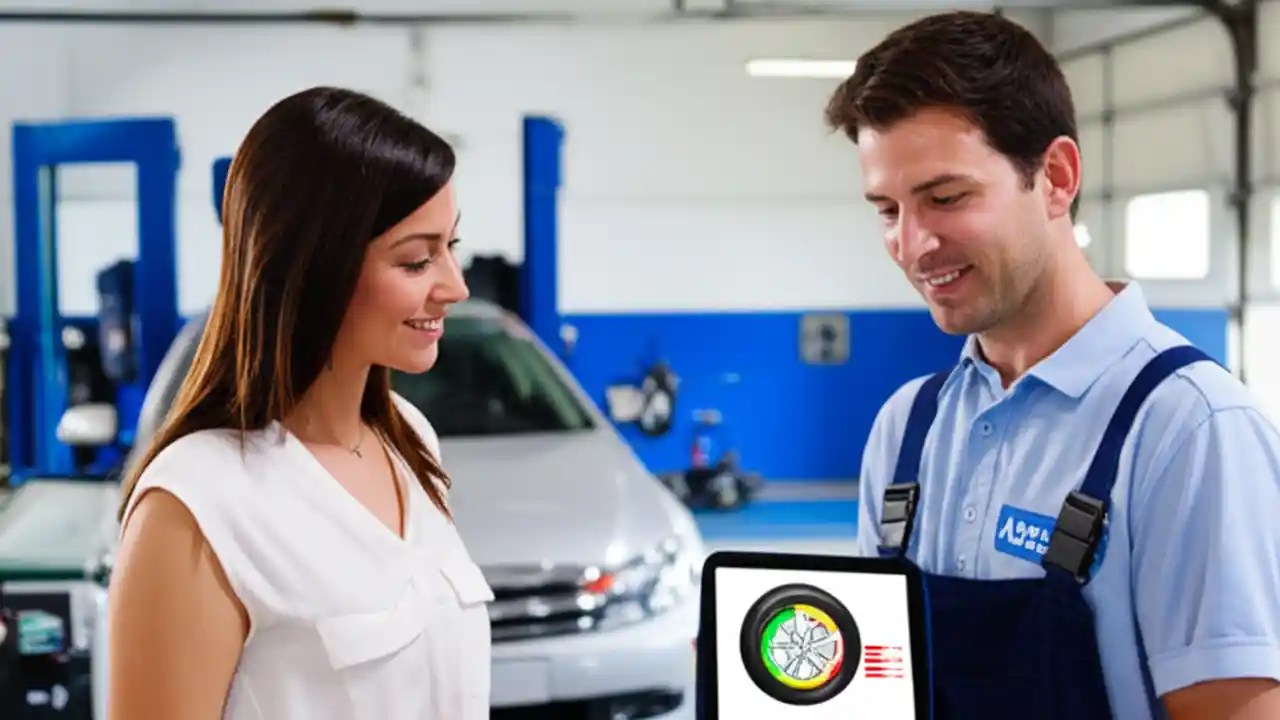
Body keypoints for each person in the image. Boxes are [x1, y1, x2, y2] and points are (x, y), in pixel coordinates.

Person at [826, 11, 1280, 720]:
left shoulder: (1189, 430)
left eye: (946, 198)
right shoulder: (906, 430)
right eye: (887, 209)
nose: (913, 244)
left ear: (1058, 177)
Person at [106, 86, 493, 719]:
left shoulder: (409, 442)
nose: (455, 286)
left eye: (451, 247)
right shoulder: (197, 506)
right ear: (319, 265)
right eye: (417, 260)